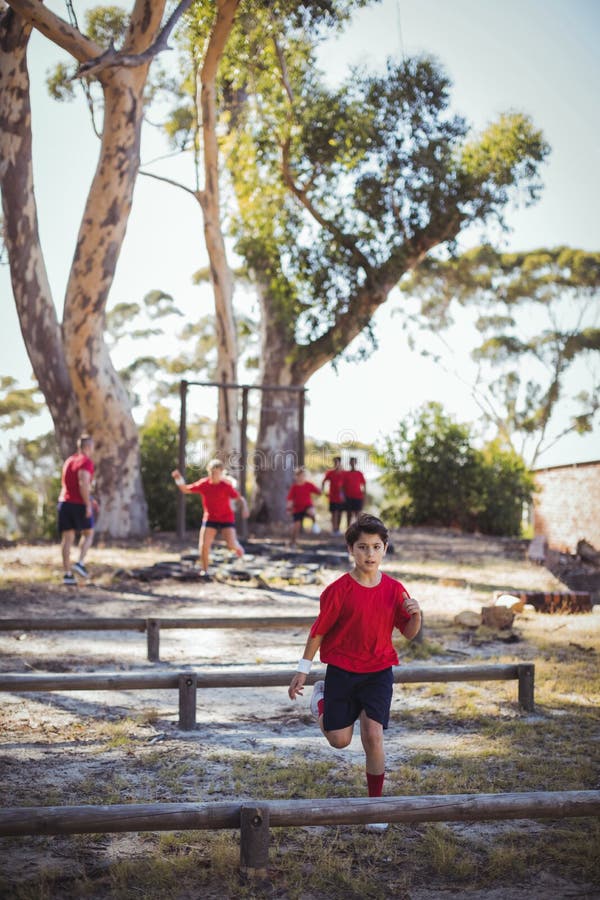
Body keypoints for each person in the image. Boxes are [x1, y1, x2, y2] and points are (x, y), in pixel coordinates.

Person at [288, 513, 422, 832]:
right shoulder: (338, 591)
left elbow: (409, 633)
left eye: (376, 547)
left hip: (378, 671)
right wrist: (302, 670)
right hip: (342, 671)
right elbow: (318, 632)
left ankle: (375, 808)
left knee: (373, 736)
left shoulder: (394, 589)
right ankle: (321, 700)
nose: (370, 554)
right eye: (362, 547)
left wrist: (417, 615)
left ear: (385, 549)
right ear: (351, 549)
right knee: (339, 740)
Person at [171, 458, 249, 579]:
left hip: (226, 518)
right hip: (210, 518)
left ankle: (239, 549)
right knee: (204, 545)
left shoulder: (225, 486)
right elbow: (185, 489)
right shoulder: (204, 484)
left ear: (221, 473)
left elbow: (240, 499)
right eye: (212, 472)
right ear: (209, 472)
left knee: (231, 544)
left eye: (217, 473)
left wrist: (245, 508)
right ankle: (205, 571)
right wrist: (178, 478)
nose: (214, 475)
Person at [57, 434, 95, 585]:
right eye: (92, 446)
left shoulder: (69, 461)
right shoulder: (86, 462)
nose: (92, 449)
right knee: (89, 533)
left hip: (64, 503)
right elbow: (83, 484)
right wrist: (88, 504)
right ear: (86, 447)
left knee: (67, 539)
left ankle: (67, 575)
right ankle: (79, 562)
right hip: (78, 503)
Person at [286, 466, 321, 546]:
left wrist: (320, 490)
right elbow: (290, 499)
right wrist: (288, 509)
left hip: (307, 506)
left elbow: (318, 491)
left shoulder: (308, 485)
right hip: (297, 509)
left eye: (303, 476)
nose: (301, 478)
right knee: (296, 526)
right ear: (296, 477)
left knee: (311, 511)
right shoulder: (294, 487)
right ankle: (293, 541)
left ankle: (314, 525)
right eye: (299, 476)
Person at [322, 456, 346, 535]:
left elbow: (346, 485)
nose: (336, 464)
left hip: (341, 497)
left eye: (337, 462)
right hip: (332, 496)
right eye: (334, 462)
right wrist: (324, 492)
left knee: (340, 513)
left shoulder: (344, 473)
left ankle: (337, 529)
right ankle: (334, 529)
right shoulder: (330, 473)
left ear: (340, 462)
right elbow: (324, 482)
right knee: (334, 513)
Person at [344, 456, 366, 526]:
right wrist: (343, 495)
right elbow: (343, 486)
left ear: (356, 463)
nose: (352, 463)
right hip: (348, 496)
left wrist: (364, 495)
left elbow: (364, 485)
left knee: (358, 513)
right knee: (349, 514)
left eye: (354, 462)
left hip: (358, 496)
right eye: (351, 462)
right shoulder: (346, 474)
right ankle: (348, 528)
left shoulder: (359, 473)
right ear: (349, 463)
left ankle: (358, 529)